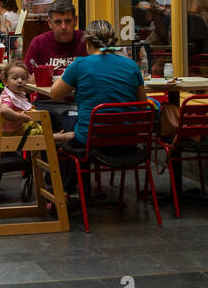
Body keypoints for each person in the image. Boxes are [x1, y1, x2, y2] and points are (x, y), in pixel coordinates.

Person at [49, 20, 148, 192]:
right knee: (82, 125)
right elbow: (142, 105)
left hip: (93, 142)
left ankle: (64, 191)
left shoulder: (79, 65)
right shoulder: (132, 66)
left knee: (66, 119)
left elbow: (55, 95)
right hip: (129, 141)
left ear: (87, 43)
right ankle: (70, 189)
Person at [23, 0, 86, 77]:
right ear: (49, 23)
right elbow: (25, 77)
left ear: (76, 20)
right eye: (58, 22)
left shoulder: (86, 41)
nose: (63, 27)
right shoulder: (39, 43)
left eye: (68, 21)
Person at [0, 61, 43, 139]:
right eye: (15, 78)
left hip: (16, 127)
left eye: (23, 78)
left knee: (36, 124)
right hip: (11, 132)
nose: (20, 81)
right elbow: (4, 110)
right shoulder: (8, 97)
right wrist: (19, 117)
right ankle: (54, 138)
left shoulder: (16, 94)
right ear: (5, 82)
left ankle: (51, 137)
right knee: (37, 132)